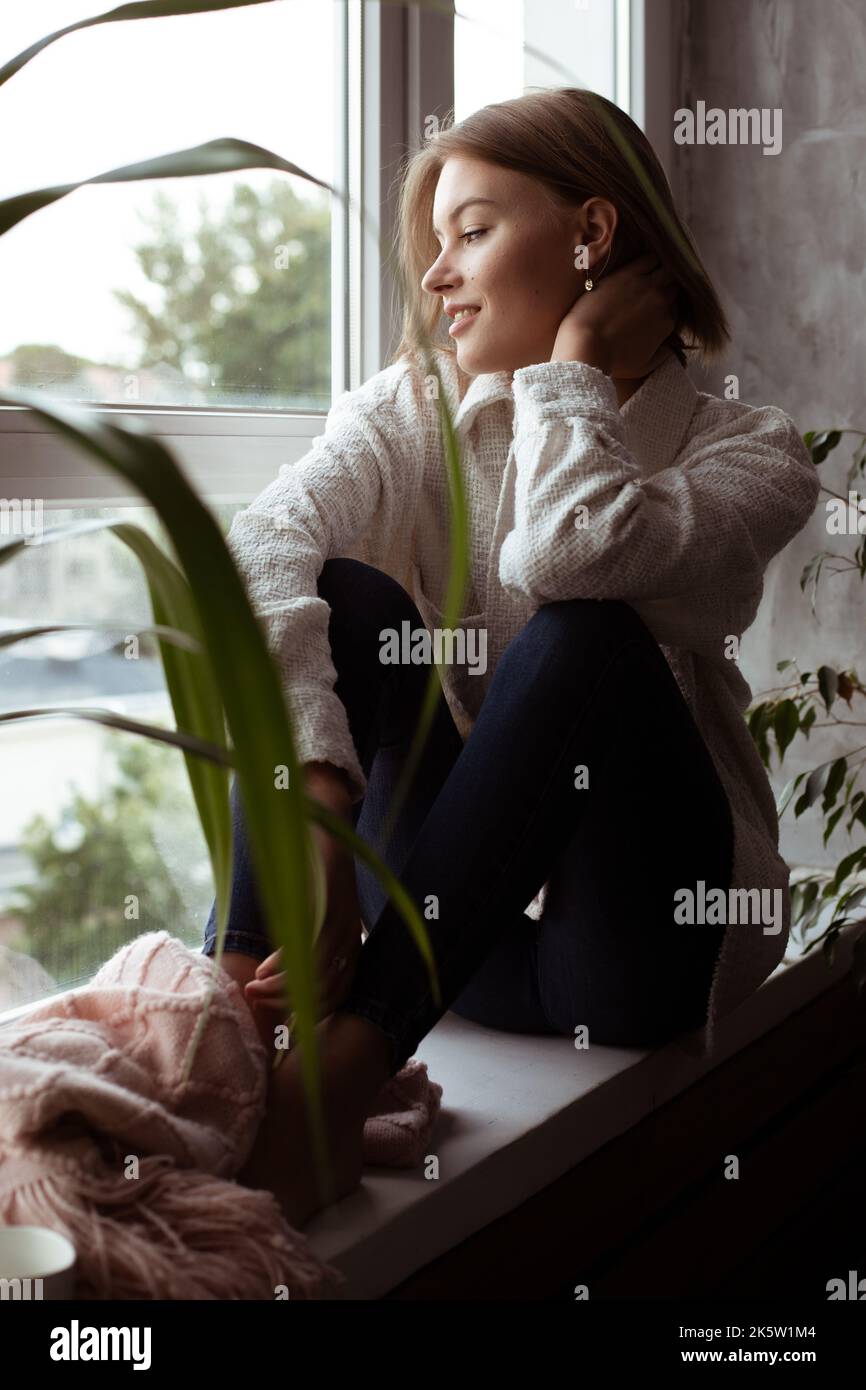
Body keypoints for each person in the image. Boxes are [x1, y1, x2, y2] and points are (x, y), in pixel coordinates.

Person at [201, 88, 819, 1230]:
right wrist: (320, 805)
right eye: (433, 244)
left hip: (639, 951)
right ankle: (243, 1037)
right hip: (456, 934)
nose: (435, 275)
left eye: (471, 232)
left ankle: (332, 1090)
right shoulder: (411, 412)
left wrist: (572, 367)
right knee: (337, 593)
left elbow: (570, 551)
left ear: (591, 234)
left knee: (583, 632)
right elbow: (254, 552)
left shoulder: (749, 451)